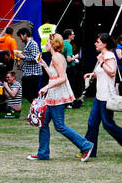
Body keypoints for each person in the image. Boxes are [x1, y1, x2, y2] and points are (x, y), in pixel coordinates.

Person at [30, 33, 93, 161]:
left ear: (53, 44)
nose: (46, 44)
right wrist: (45, 65)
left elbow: (62, 78)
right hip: (53, 94)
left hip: (56, 95)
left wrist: (46, 87)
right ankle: (43, 153)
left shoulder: (56, 57)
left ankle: (86, 145)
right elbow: (54, 76)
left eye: (48, 42)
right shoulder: (56, 57)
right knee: (43, 123)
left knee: (59, 126)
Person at [82, 33, 122, 159]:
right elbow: (103, 74)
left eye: (98, 42)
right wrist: (92, 75)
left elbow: (112, 72)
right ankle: (88, 150)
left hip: (107, 96)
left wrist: (102, 62)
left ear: (104, 44)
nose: (95, 44)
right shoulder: (103, 56)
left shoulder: (109, 56)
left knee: (108, 125)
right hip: (99, 96)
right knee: (92, 123)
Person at [18, 27, 43, 107]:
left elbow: (36, 58)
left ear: (25, 35)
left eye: (20, 36)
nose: (20, 38)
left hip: (33, 73)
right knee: (27, 94)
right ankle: (37, 108)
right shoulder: (28, 44)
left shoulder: (33, 44)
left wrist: (23, 57)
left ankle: (39, 108)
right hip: (29, 73)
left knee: (31, 94)